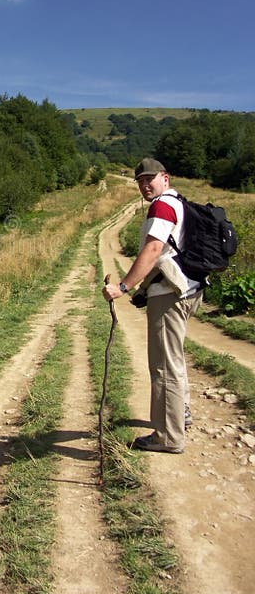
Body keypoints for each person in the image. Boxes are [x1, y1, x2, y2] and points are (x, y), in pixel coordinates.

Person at [102, 158, 203, 453]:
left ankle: (168, 437)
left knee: (163, 367)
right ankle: (179, 415)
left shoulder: (161, 206)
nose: (145, 185)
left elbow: (154, 248)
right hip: (185, 289)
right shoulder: (177, 203)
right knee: (173, 358)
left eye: (150, 179)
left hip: (168, 294)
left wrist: (123, 286)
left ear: (165, 178)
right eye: (141, 181)